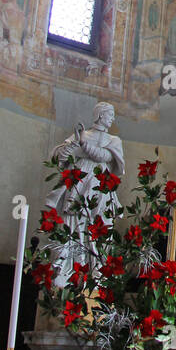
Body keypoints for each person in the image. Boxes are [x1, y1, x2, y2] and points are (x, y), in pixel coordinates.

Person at [45, 101, 125, 286]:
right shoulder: (83, 135)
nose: (113, 118)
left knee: (100, 226)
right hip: (79, 182)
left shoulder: (113, 141)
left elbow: (104, 157)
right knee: (74, 222)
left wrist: (82, 145)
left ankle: (97, 270)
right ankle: (70, 270)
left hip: (101, 185)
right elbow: (62, 158)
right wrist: (73, 144)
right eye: (110, 114)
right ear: (100, 116)